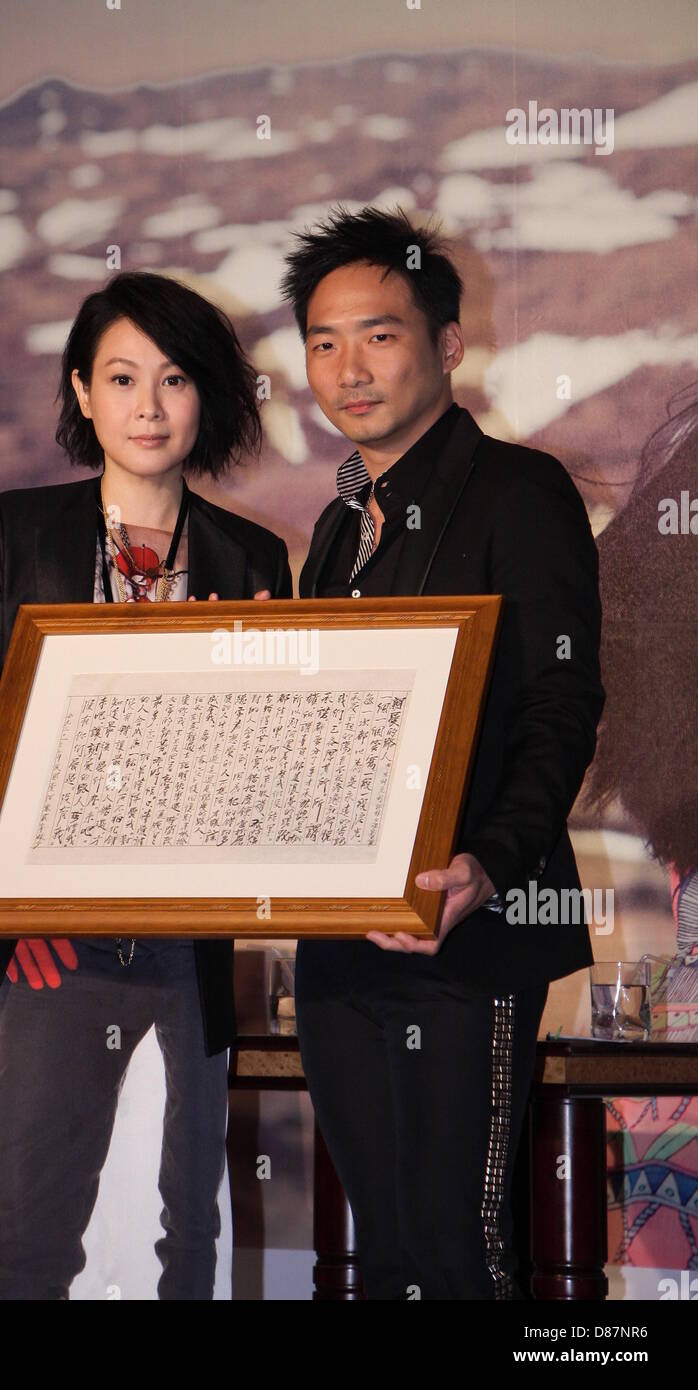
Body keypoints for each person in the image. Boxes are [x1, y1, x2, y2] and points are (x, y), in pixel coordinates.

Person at [0, 270, 292, 1300]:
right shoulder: (20, 535)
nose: (149, 406)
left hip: (187, 941)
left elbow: (259, 762)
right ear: (82, 392)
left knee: (183, 1240)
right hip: (42, 943)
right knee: (26, 1238)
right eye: (122, 378)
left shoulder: (250, 558)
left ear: (203, 395)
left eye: (173, 379)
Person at [279, 205, 605, 1299]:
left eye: (377, 334)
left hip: (468, 939)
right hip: (338, 951)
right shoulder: (336, 528)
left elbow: (562, 703)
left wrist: (489, 866)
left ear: (447, 345)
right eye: (321, 342)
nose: (346, 368)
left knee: (459, 1260)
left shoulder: (519, 492)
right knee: (385, 1258)